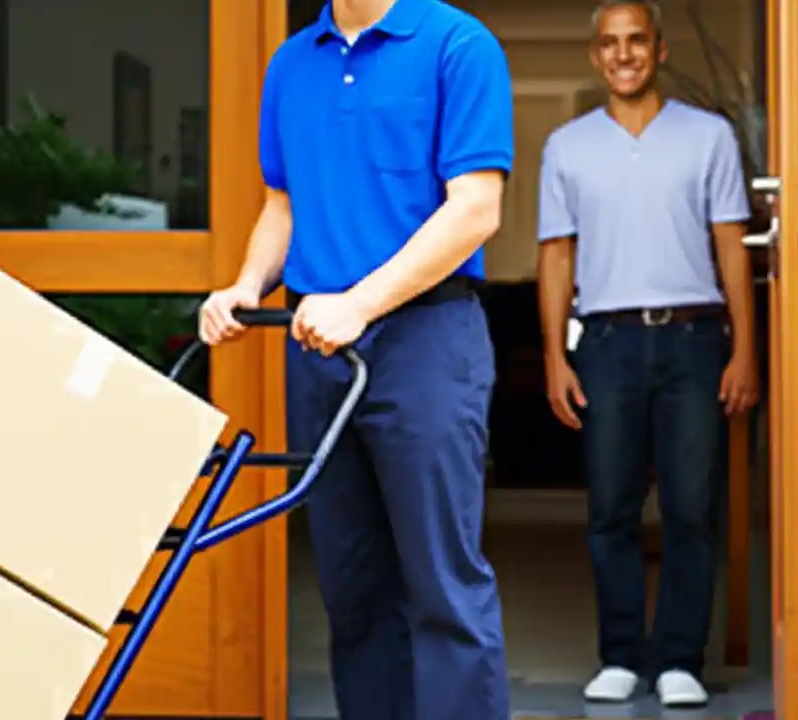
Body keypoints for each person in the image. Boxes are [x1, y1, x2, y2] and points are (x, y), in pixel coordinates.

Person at [198, 0, 514, 717]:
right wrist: (247, 285)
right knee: (354, 587)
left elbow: (475, 209)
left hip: (426, 342)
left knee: (443, 585)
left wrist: (360, 304)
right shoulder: (291, 63)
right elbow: (283, 204)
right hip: (319, 351)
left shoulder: (457, 45)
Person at [536, 0, 759, 708]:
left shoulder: (709, 136)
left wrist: (745, 350)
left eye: (636, 40)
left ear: (659, 49)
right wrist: (554, 357)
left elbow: (731, 245)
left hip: (696, 341)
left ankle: (680, 661)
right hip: (606, 344)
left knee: (693, 507)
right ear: (595, 55)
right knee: (611, 507)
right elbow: (556, 256)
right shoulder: (567, 147)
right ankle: (622, 657)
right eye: (610, 43)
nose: (623, 54)